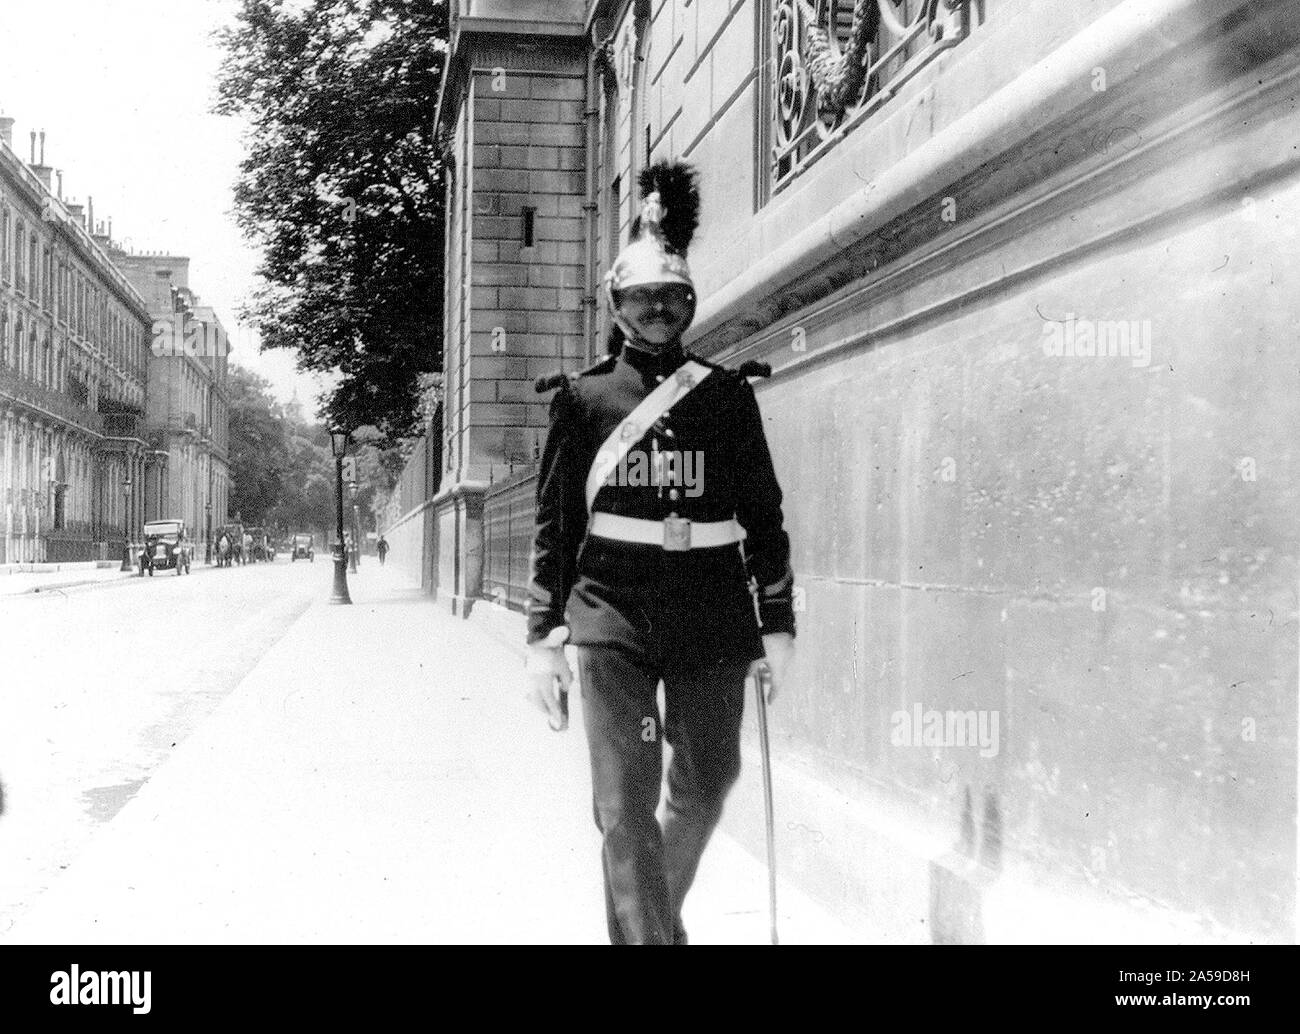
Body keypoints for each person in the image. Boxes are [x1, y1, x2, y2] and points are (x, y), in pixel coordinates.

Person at [525, 160, 796, 945]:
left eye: (672, 298)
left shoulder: (725, 394)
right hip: (612, 610)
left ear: (688, 304)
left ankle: (654, 921)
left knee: (710, 781)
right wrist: (543, 640)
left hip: (712, 609)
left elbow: (764, 515)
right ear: (617, 306)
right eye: (641, 299)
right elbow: (554, 529)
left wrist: (774, 621)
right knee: (623, 800)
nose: (657, 312)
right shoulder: (583, 400)